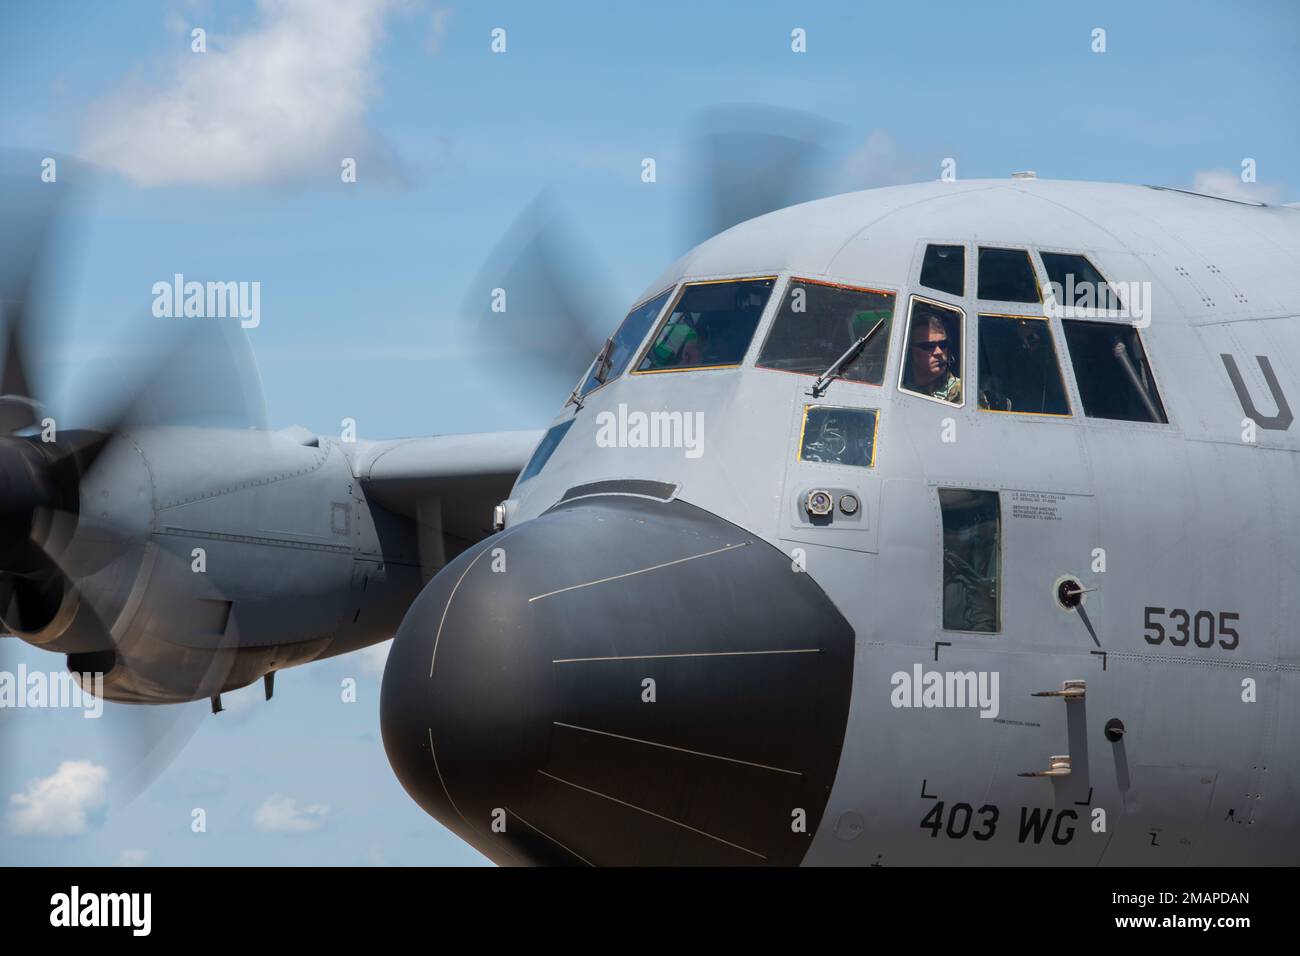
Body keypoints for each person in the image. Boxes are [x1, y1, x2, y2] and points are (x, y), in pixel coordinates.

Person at [905, 307, 961, 402]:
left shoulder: (961, 394)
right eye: (928, 346)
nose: (939, 352)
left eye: (943, 344)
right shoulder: (898, 386)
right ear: (910, 351)